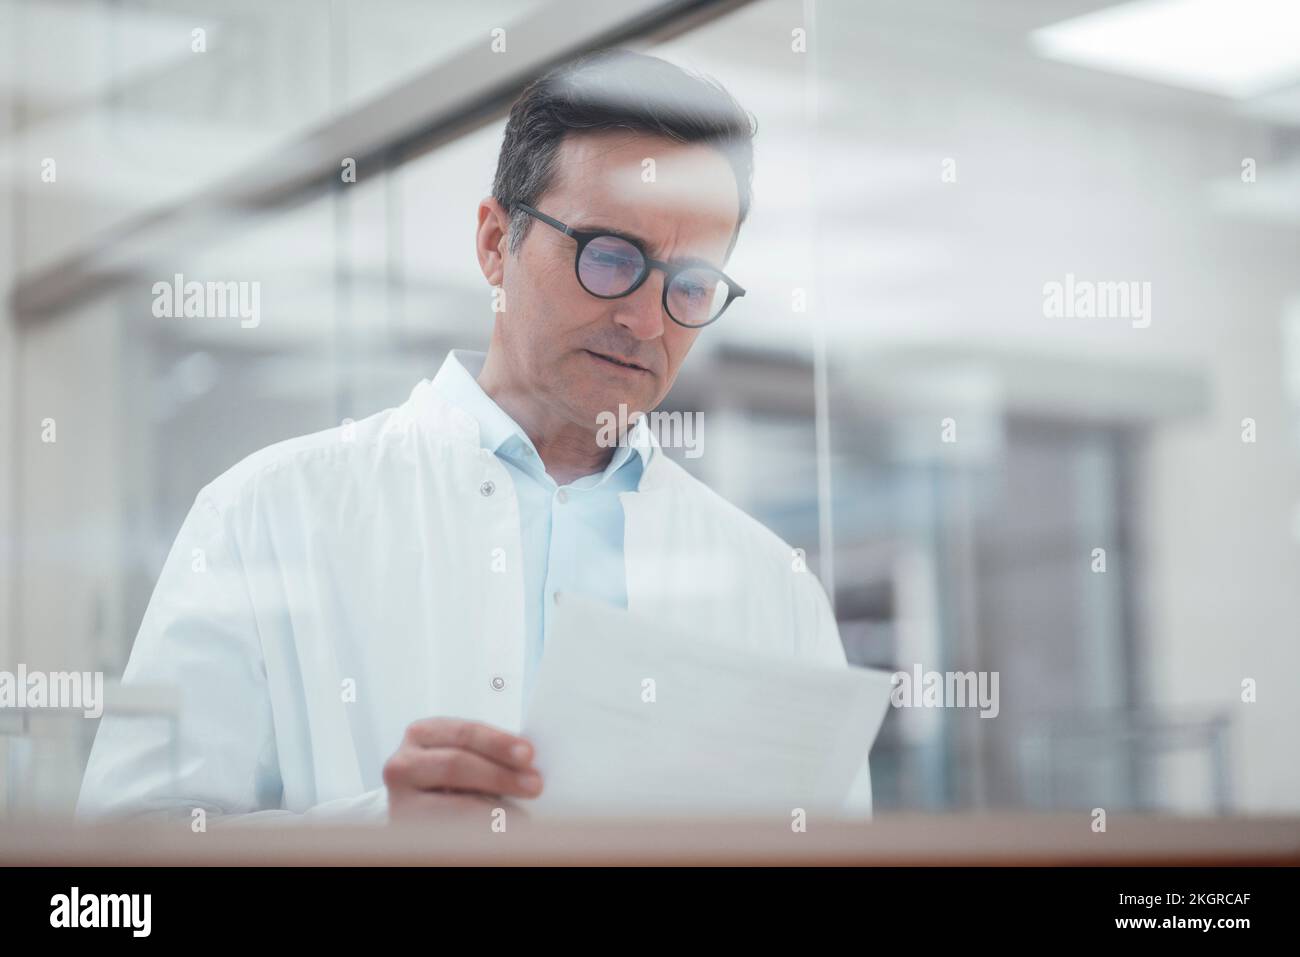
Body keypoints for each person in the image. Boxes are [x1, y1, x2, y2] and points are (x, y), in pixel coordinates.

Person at [77, 50, 871, 824]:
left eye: (690, 283)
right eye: (608, 257)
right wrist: (375, 835)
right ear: (497, 243)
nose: (644, 319)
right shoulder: (265, 515)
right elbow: (118, 867)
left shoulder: (773, 587)